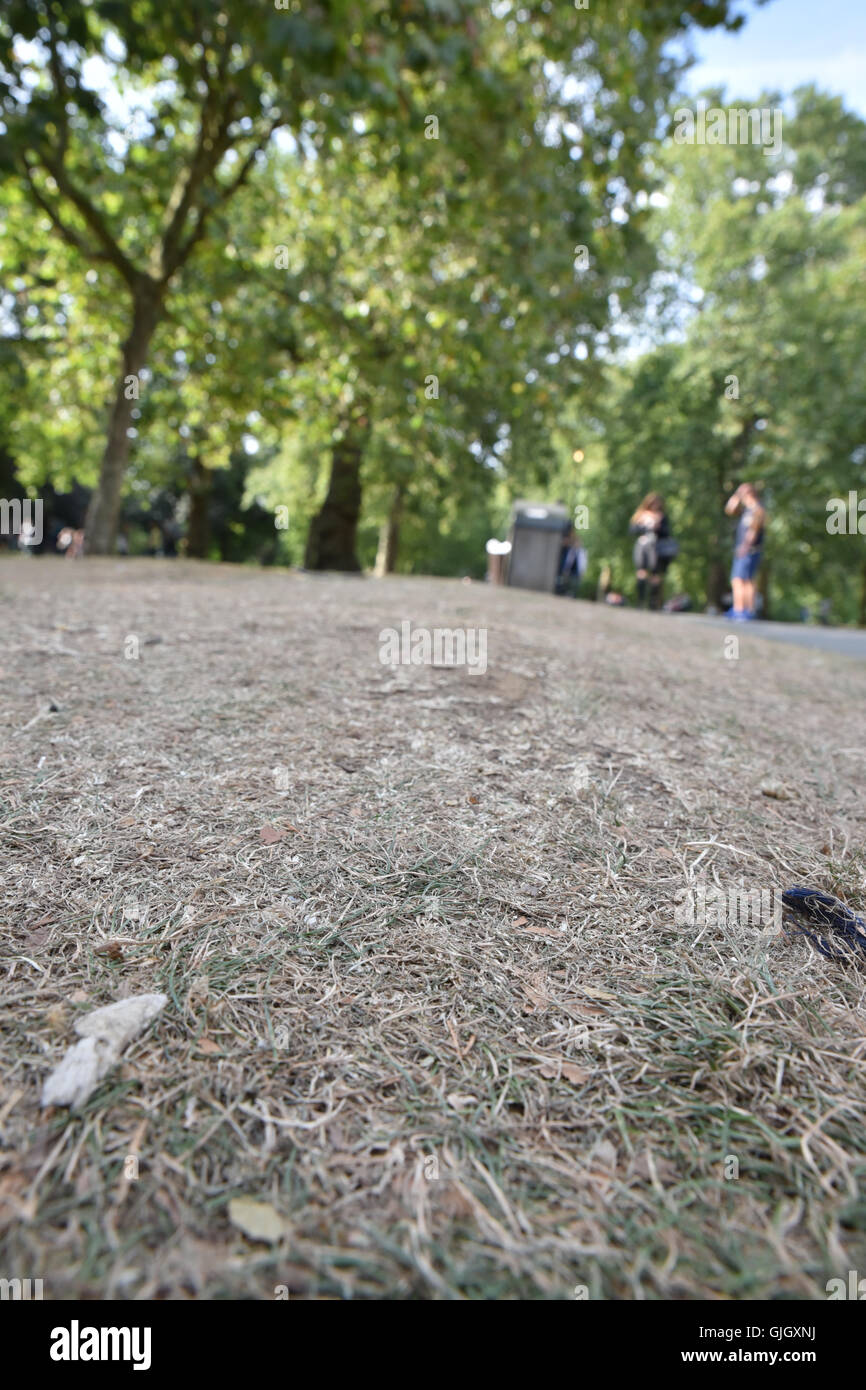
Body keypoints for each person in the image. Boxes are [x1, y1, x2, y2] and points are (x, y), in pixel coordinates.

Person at [724, 482, 765, 620]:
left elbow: (753, 530)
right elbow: (729, 510)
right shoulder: (746, 511)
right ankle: (739, 608)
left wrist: (745, 547)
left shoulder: (757, 510)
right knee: (740, 579)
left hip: (750, 550)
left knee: (743, 580)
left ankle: (745, 610)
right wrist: (736, 496)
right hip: (744, 549)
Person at [629, 493, 677, 609]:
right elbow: (632, 530)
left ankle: (653, 603)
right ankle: (640, 601)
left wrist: (658, 527)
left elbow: (667, 533)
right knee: (641, 572)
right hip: (642, 545)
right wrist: (645, 527)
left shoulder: (662, 517)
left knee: (656, 574)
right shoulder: (640, 515)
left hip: (656, 547)